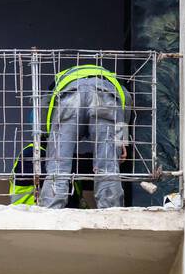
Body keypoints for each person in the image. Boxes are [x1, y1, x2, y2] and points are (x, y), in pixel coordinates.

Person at [38, 63, 128, 209]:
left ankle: (51, 211)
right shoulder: (110, 79)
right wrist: (122, 141)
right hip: (106, 97)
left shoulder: (63, 79)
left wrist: (47, 137)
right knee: (108, 166)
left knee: (58, 167)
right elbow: (127, 101)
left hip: (70, 97)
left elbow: (45, 104)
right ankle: (111, 213)